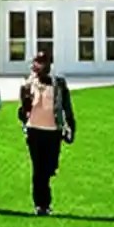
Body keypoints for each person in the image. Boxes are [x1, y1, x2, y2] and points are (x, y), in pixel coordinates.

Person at [16, 50, 75, 216]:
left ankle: (43, 199)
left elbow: (67, 108)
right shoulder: (27, 85)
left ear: (50, 64)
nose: (40, 66)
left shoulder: (59, 84)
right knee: (38, 169)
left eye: (44, 62)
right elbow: (22, 114)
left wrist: (71, 128)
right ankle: (41, 205)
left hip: (53, 131)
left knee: (49, 167)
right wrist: (26, 102)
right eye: (37, 62)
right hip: (34, 130)